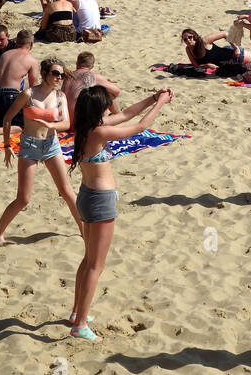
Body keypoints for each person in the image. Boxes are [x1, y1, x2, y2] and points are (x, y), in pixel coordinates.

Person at [67, 86, 174, 339]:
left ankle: (76, 312)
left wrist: (153, 98)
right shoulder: (100, 130)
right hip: (99, 201)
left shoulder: (86, 127)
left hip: (87, 196)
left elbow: (126, 114)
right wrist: (161, 105)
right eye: (106, 105)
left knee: (87, 260)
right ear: (98, 110)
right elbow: (138, 128)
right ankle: (80, 324)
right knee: (96, 265)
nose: (109, 108)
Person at [0, 57, 86, 244]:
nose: (59, 77)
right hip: (30, 145)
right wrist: (8, 146)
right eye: (55, 73)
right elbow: (8, 119)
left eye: (61, 74)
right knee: (23, 199)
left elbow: (66, 123)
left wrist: (50, 124)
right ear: (44, 74)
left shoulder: (60, 97)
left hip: (51, 144)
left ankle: (84, 231)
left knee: (67, 192)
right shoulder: (28, 94)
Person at [0, 30, 38, 129]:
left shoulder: (5, 55)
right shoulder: (31, 60)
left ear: (16, 42)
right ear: (31, 44)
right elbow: (34, 87)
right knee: (25, 125)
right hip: (9, 96)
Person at [63, 51, 121, 127]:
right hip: (81, 125)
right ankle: (118, 116)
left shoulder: (68, 77)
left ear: (77, 63)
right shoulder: (93, 76)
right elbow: (117, 91)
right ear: (92, 66)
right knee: (108, 94)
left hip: (65, 122)